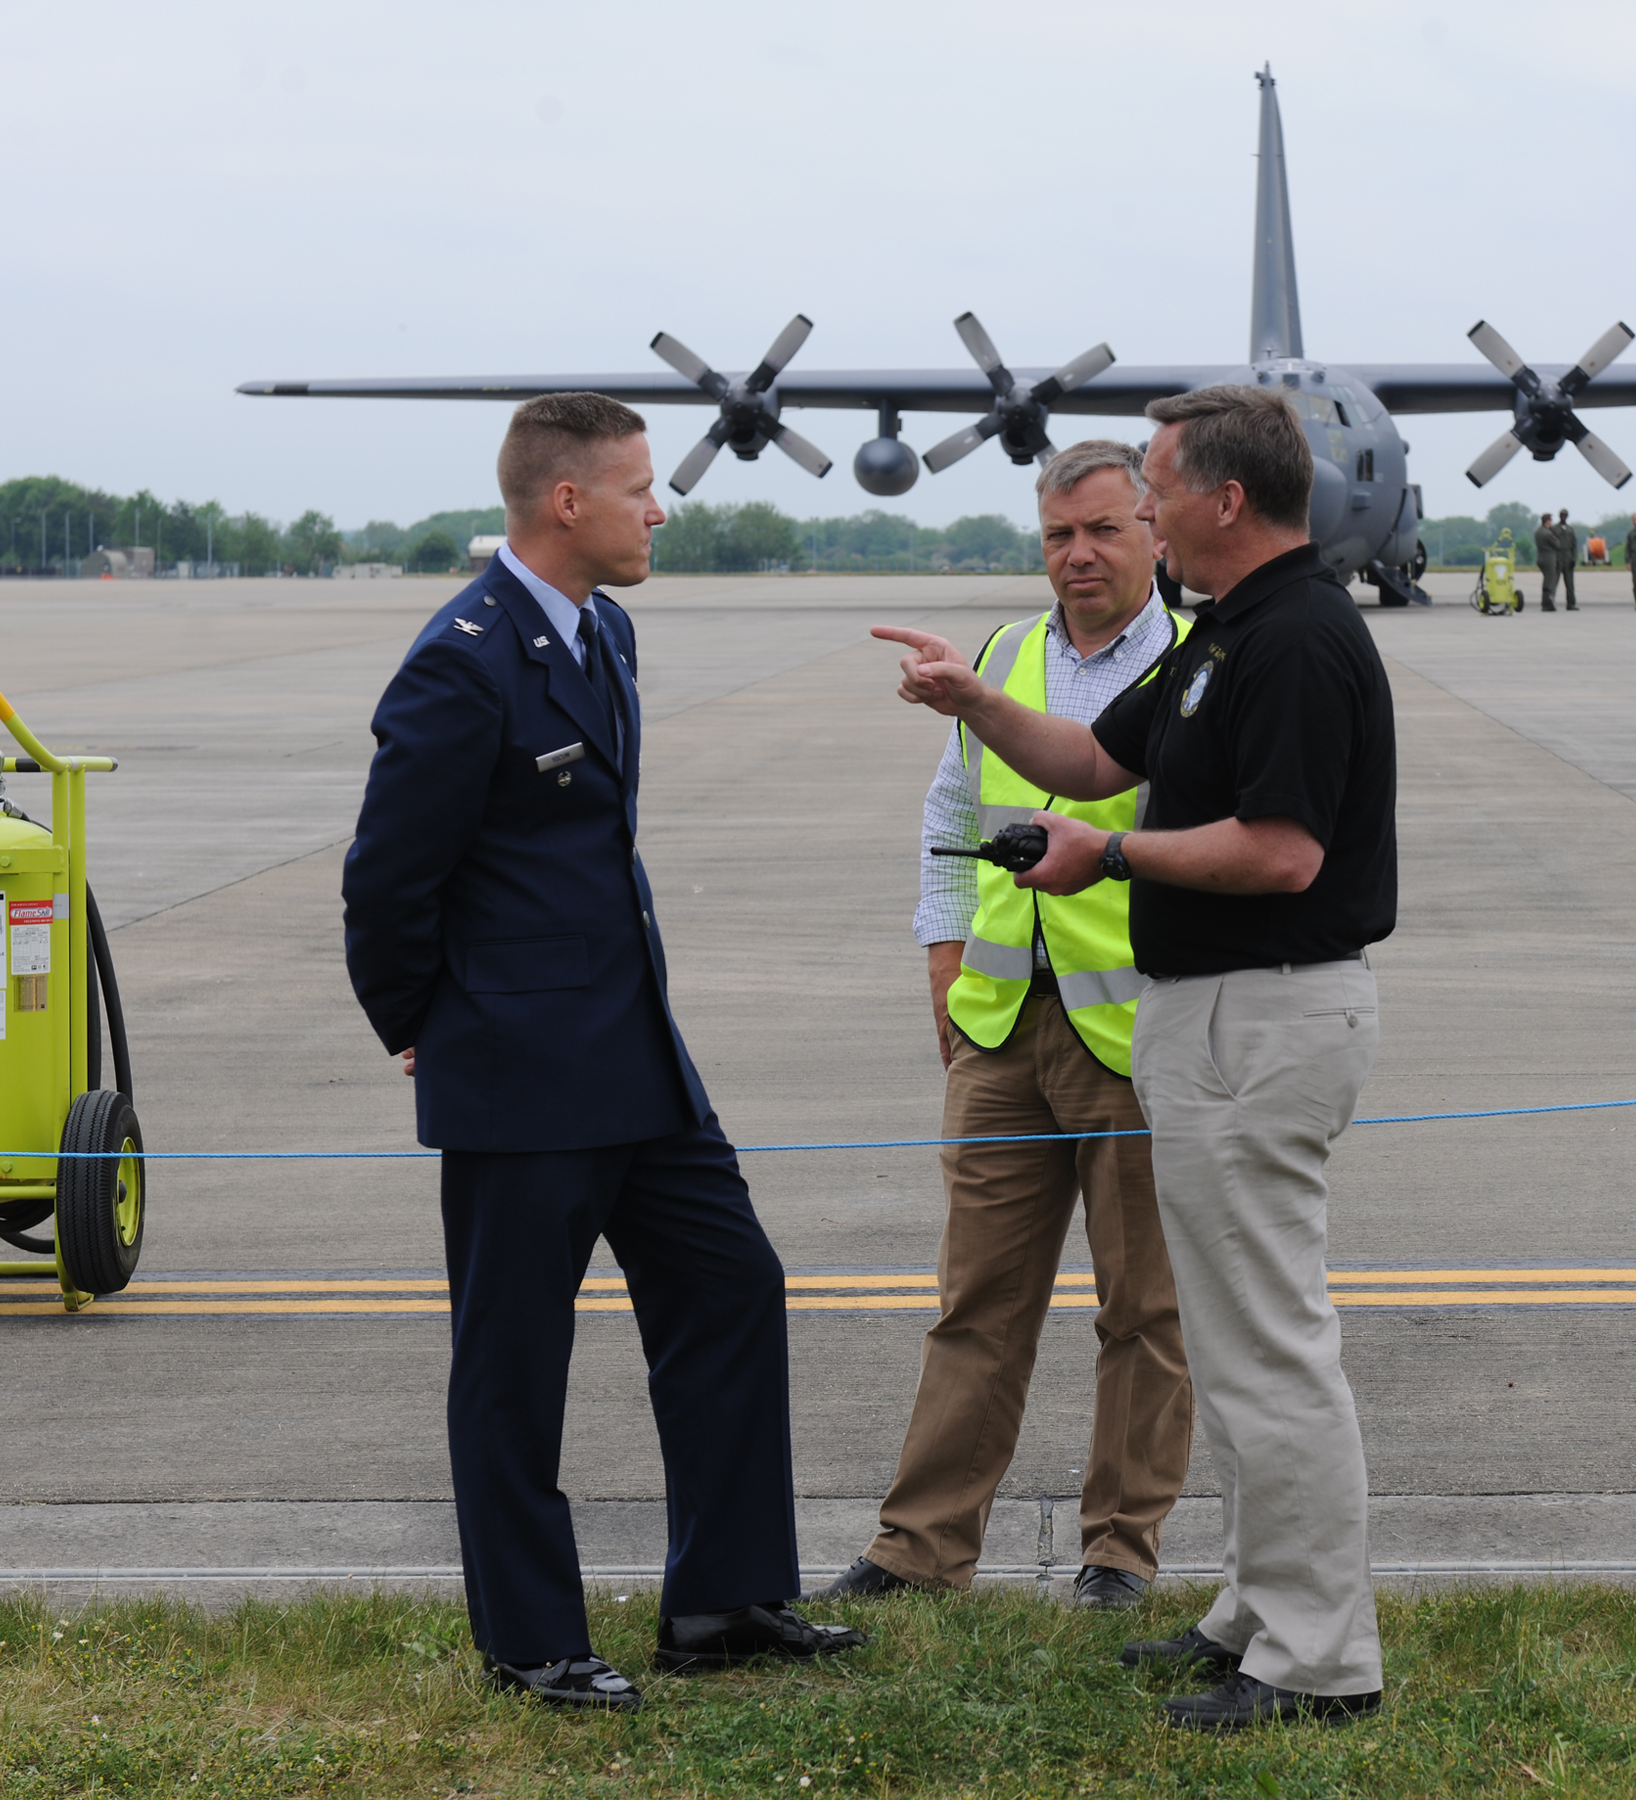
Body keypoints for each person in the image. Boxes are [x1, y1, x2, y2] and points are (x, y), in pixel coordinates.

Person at [874, 383, 1397, 1734]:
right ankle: (1252, 1613)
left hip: (1257, 1015)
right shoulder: (1225, 636)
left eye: (1154, 488)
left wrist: (1101, 858)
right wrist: (969, 698)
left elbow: (1279, 851)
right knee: (1229, 1350)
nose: (1140, 512)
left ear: (1222, 501)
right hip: (1210, 1017)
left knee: (1265, 1350)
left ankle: (1317, 1658)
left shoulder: (1290, 642)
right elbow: (1089, 761)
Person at [343, 392, 863, 1714]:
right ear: (565, 503)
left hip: (634, 1053)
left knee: (732, 1285)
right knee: (512, 1368)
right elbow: (385, 885)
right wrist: (423, 1025)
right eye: (640, 489)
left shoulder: (604, 630)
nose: (660, 509)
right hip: (519, 1072)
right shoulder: (460, 662)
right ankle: (531, 1641)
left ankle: (723, 1599)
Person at [819, 440, 1194, 1613]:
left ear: (1155, 534)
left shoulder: (1194, 668)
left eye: (1102, 531)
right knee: (975, 1303)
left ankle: (1119, 1554)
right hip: (996, 1030)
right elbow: (948, 813)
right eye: (1056, 537)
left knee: (1144, 1312)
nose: (1076, 557)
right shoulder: (1004, 653)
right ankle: (918, 1549)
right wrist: (941, 962)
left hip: (1134, 1043)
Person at [1535, 511, 1563, 612]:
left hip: (1540, 557)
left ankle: (1545, 602)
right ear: (1547, 521)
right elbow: (1557, 545)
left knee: (1546, 580)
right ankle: (1547, 603)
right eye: (1550, 520)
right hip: (1549, 558)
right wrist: (1555, 537)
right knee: (1550, 581)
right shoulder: (1548, 533)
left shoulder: (1538, 532)